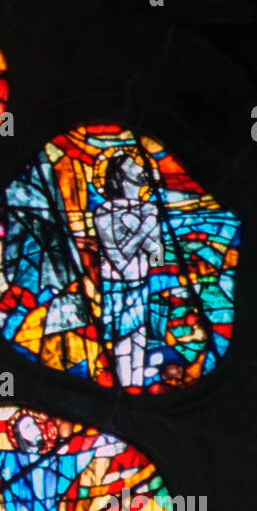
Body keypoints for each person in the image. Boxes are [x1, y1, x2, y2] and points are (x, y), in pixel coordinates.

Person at [92, 148, 165, 389]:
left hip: (141, 285)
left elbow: (157, 258)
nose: (140, 168)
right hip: (116, 286)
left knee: (140, 341)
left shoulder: (150, 210)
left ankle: (136, 390)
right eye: (133, 165)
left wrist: (138, 225)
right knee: (122, 344)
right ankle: (125, 391)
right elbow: (119, 260)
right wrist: (143, 229)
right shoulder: (103, 212)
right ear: (119, 175)